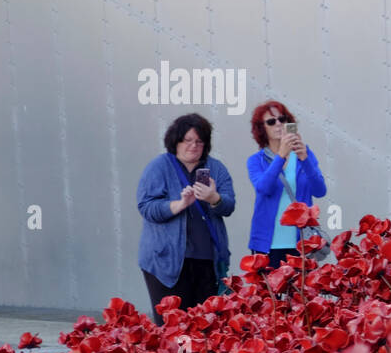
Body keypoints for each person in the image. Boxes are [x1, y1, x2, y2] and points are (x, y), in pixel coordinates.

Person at [136, 113, 236, 325]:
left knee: (206, 326)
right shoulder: (159, 166)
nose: (194, 146)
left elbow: (229, 206)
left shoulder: (215, 168)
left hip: (207, 260)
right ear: (176, 141)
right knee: (172, 327)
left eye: (199, 141)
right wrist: (179, 204)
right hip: (165, 262)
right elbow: (146, 207)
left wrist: (213, 198)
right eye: (188, 140)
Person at [247, 100, 327, 270]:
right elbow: (263, 188)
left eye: (282, 119)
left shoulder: (304, 153)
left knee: (301, 295)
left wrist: (305, 160)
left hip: (301, 243)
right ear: (262, 129)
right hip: (268, 244)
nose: (278, 125)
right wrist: (280, 156)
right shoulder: (256, 161)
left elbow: (320, 190)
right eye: (271, 121)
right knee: (270, 295)